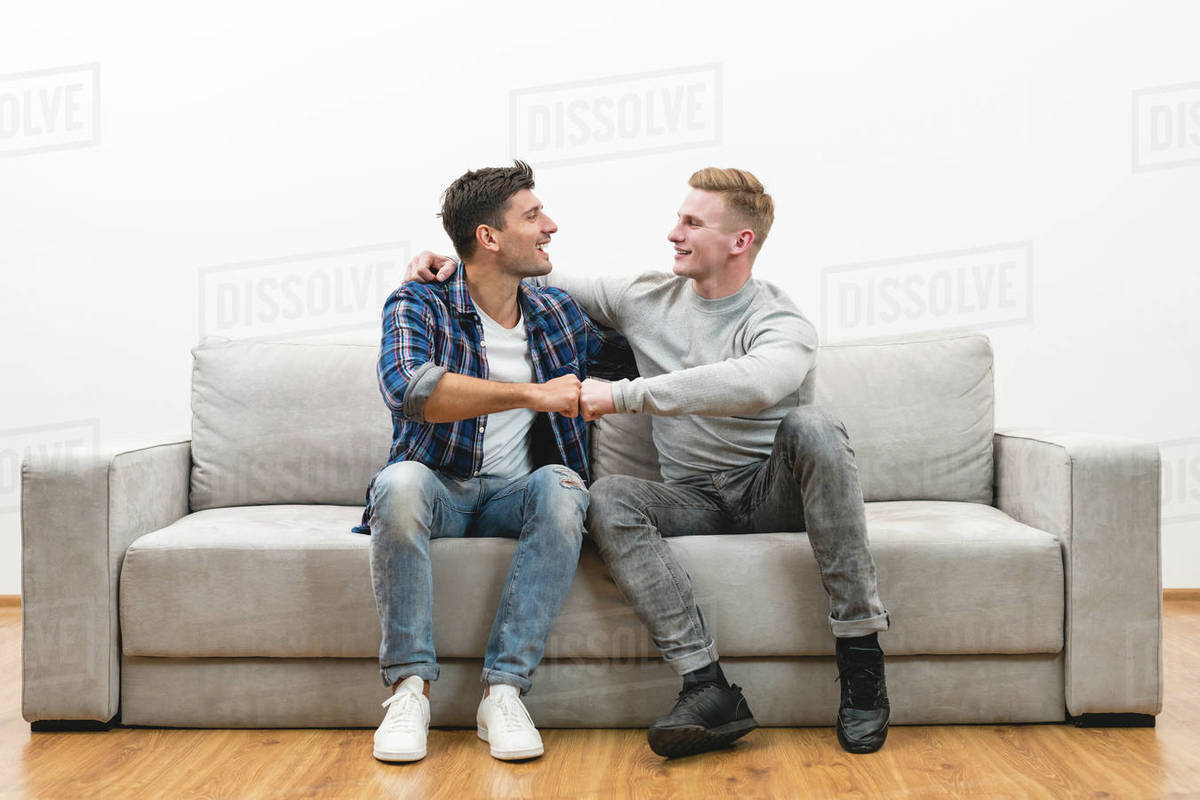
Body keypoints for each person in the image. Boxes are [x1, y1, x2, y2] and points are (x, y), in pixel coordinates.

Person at [406, 167, 891, 758]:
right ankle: (708, 688)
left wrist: (624, 394)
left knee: (813, 426)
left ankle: (861, 657)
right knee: (607, 496)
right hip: (692, 497)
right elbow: (523, 274)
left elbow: (756, 383)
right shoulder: (644, 297)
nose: (673, 234)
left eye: (691, 223)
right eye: (678, 219)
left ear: (740, 242)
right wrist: (453, 264)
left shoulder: (780, 321)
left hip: (772, 491)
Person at [358, 160, 632, 763]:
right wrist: (535, 392)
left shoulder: (555, 312)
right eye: (533, 216)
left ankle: (503, 691)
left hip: (516, 495)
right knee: (398, 484)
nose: (550, 226)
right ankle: (409, 691)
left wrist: (709, 288)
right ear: (489, 236)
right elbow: (413, 391)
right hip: (442, 490)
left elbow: (638, 348)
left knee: (564, 486)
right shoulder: (418, 301)